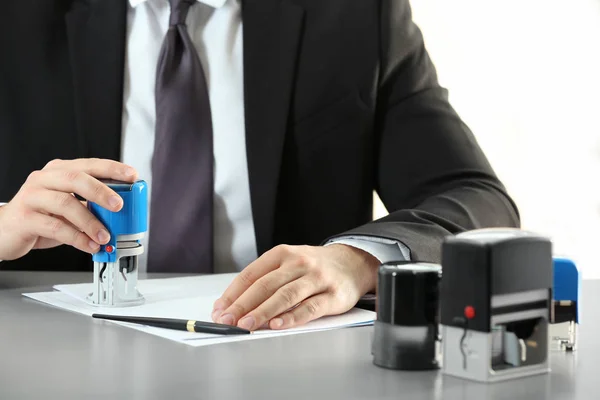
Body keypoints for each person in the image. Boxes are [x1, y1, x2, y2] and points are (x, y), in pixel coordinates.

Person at [0, 0, 519, 331]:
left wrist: (359, 261)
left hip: (283, 353)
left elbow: (478, 199)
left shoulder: (357, 16)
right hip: (57, 355)